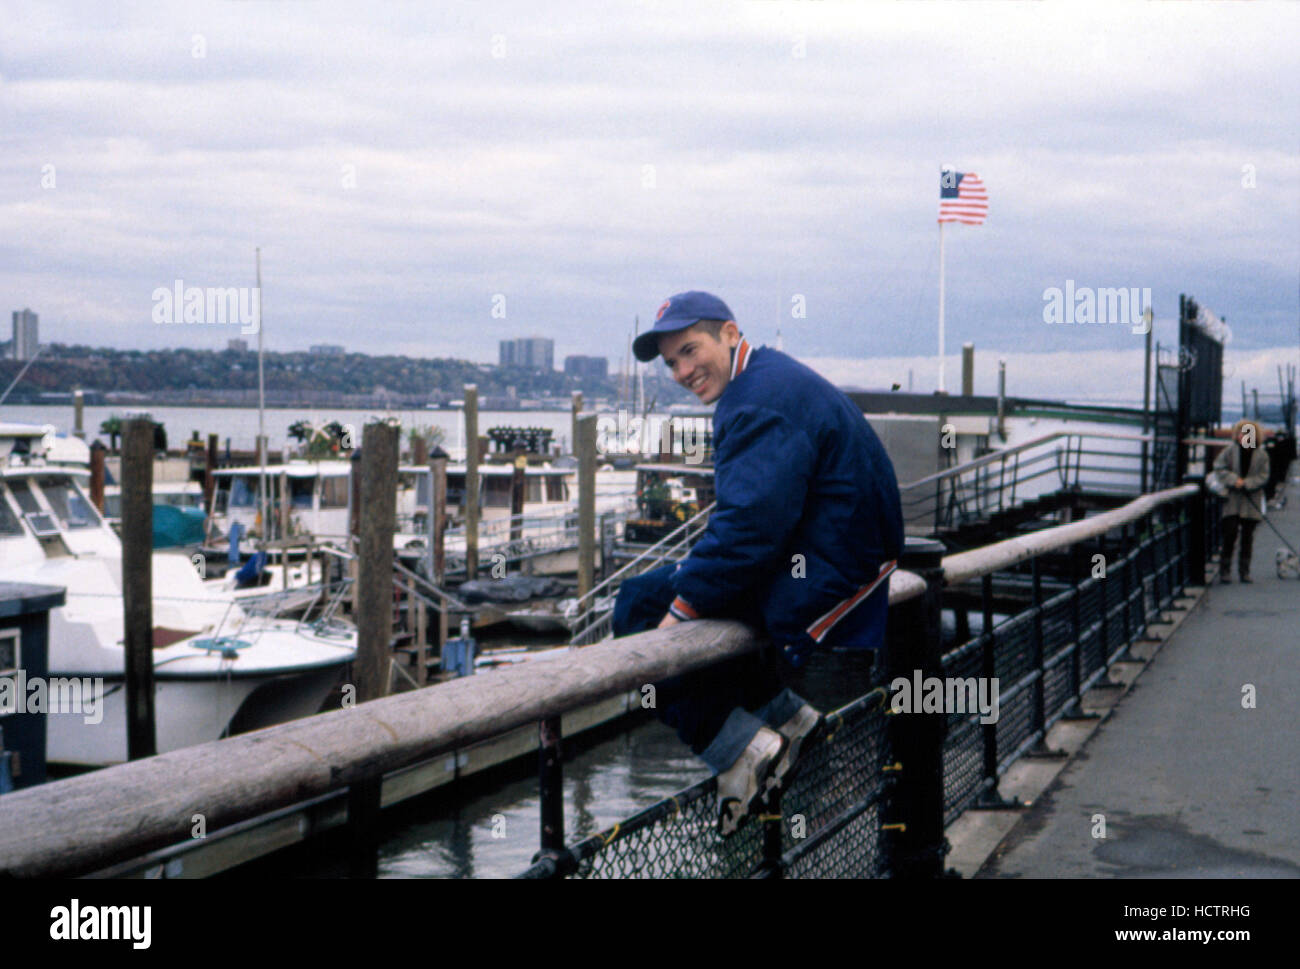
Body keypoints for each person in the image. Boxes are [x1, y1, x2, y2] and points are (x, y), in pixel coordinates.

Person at [612, 290, 903, 835]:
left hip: (830, 575)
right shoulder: (771, 377)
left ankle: (741, 751)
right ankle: (787, 719)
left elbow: (748, 529)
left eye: (690, 350)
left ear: (729, 332)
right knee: (683, 593)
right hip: (844, 558)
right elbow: (756, 524)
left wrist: (679, 613)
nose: (681, 370)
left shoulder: (756, 400)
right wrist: (695, 591)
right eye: (672, 362)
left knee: (637, 610)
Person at [1212, 418, 1271, 584]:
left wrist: (1248, 483)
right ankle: (1225, 570)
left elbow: (1264, 476)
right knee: (1229, 533)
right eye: (1240, 433)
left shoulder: (1262, 454)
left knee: (1247, 537)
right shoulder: (1230, 451)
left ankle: (1244, 571)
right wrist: (1233, 480)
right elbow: (1219, 468)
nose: (1242, 437)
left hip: (1252, 499)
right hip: (1232, 499)